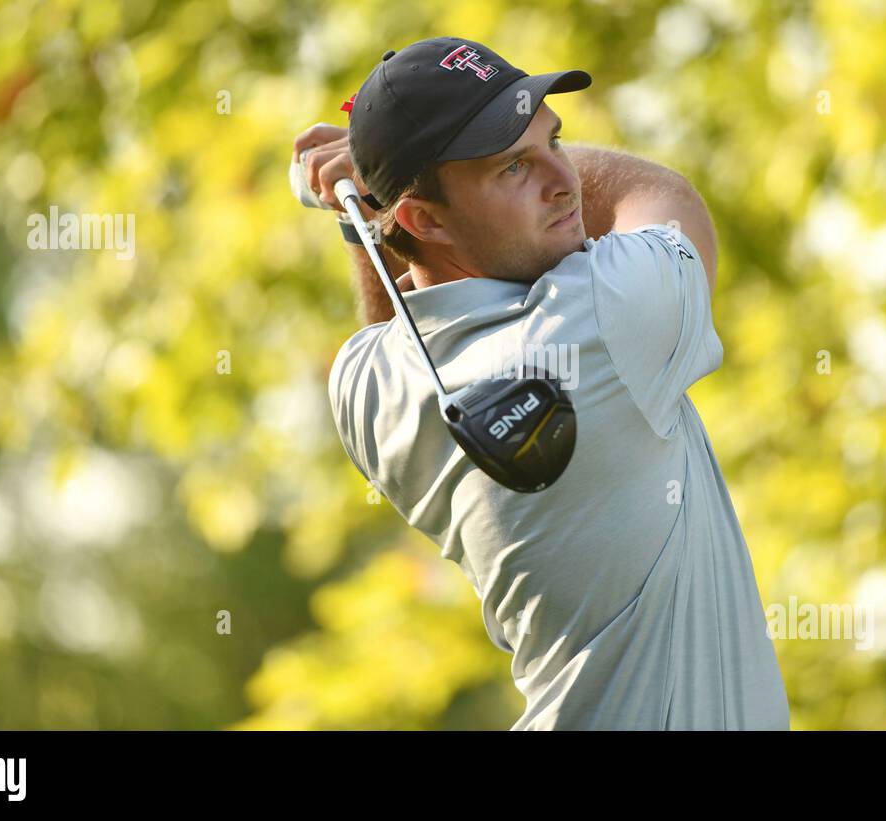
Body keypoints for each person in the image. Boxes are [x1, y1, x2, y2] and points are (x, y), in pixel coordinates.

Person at [293, 36, 790, 730]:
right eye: (514, 167)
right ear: (425, 218)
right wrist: (374, 197)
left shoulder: (363, 389)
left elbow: (395, 327)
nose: (563, 180)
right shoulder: (602, 319)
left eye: (556, 139)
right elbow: (663, 197)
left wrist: (369, 214)